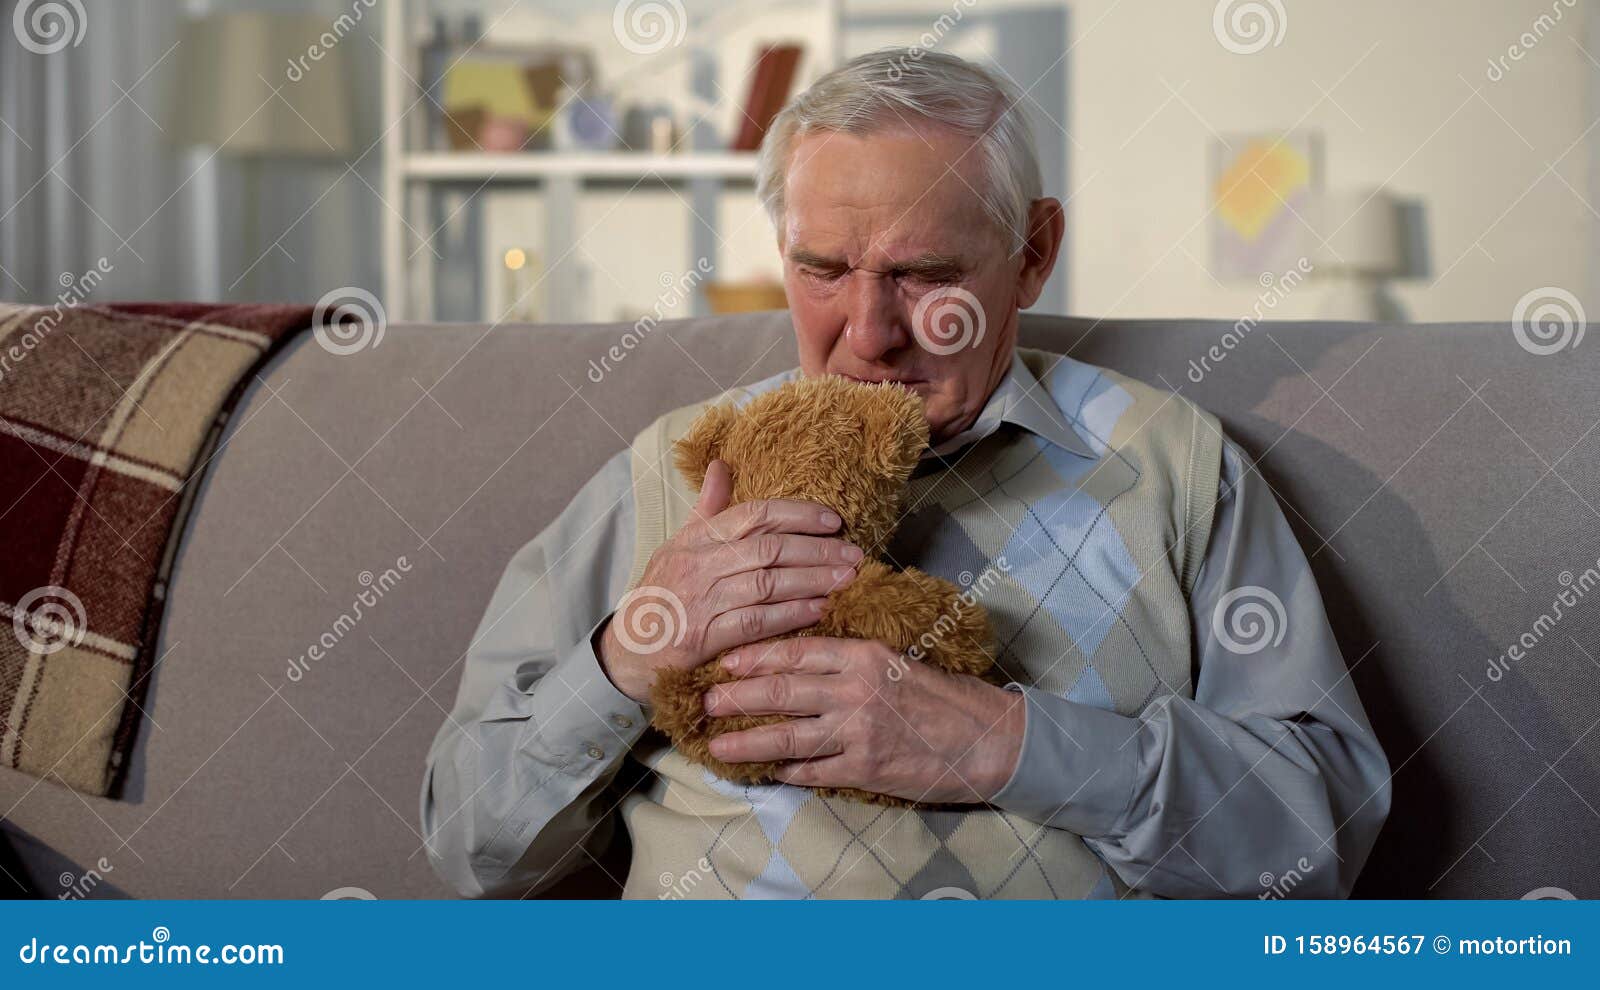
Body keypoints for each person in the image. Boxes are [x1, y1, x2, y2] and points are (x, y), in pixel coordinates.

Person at [421, 48, 1391, 899]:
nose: (868, 334)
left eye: (923, 273)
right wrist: (626, 658)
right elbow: (469, 846)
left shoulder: (1174, 463)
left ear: (1033, 253)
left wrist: (1004, 747)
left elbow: (1315, 841)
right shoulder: (671, 466)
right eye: (822, 269)